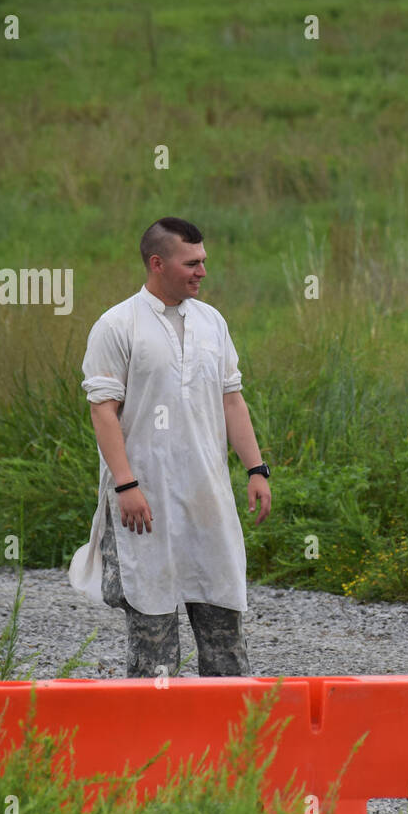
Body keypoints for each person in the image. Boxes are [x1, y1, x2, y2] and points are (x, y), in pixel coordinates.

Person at [68, 217, 271, 678]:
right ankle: (154, 744)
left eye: (204, 262)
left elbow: (231, 398)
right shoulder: (117, 324)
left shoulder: (212, 322)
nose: (202, 272)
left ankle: (232, 740)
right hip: (144, 497)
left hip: (207, 495)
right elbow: (103, 411)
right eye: (192, 263)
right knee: (153, 639)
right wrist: (126, 485)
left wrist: (256, 469)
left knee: (224, 631)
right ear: (158, 264)